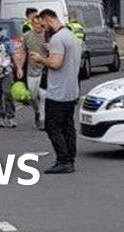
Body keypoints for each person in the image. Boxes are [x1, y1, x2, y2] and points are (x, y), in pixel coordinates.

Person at [30, 9, 81, 174]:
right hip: (71, 89)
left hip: (58, 91)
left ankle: (64, 160)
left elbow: (56, 64)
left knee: (52, 127)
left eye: (43, 24)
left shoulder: (57, 38)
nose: (43, 28)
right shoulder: (71, 35)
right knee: (67, 126)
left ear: (48, 19)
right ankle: (70, 157)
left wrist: (41, 59)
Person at [22, 8, 47, 130]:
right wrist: (19, 68)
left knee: (43, 95)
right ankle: (37, 111)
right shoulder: (27, 36)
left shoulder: (48, 35)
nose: (38, 26)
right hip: (31, 71)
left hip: (45, 70)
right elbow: (23, 52)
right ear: (32, 24)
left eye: (40, 24)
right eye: (35, 24)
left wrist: (49, 48)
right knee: (32, 96)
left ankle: (42, 119)